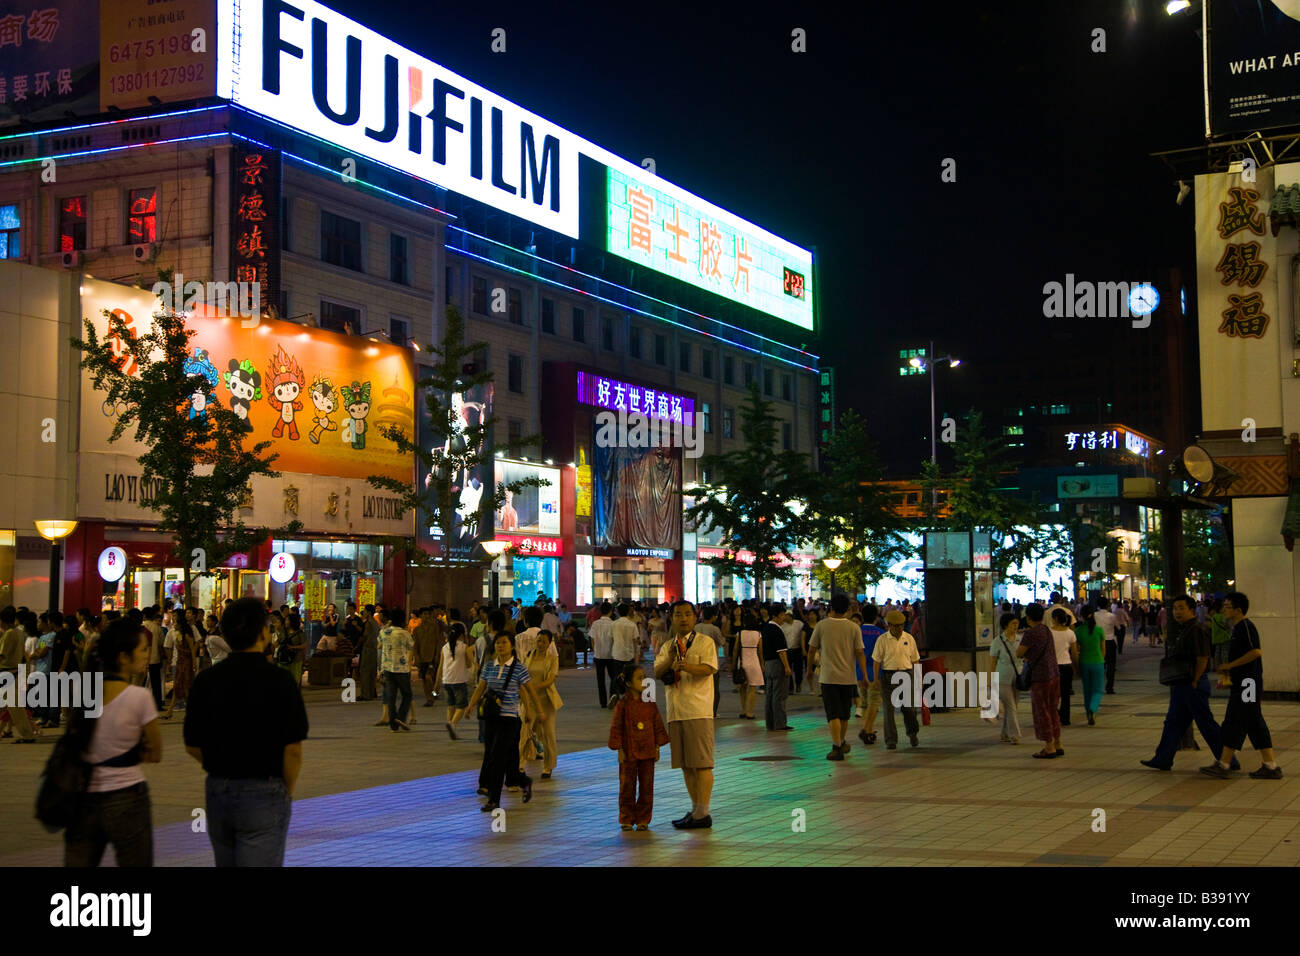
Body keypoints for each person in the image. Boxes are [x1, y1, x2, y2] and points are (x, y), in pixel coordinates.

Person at [184, 598, 309, 866]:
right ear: (263, 633)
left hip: (219, 788)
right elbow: (293, 750)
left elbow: (192, 744)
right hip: (265, 789)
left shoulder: (206, 680)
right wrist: (286, 789)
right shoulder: (280, 680)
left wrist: (221, 766)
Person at [62, 620, 161, 867]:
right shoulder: (140, 697)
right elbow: (156, 752)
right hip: (128, 796)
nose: (146, 655)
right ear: (123, 657)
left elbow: (75, 738)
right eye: (142, 650)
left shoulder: (85, 691)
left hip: (84, 795)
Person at [1140, 595, 1240, 773]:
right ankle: (1162, 758)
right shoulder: (1184, 629)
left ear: (1191, 610)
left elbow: (1203, 657)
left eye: (1181, 608)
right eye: (1175, 608)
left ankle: (1228, 760)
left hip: (1192, 683)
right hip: (1181, 684)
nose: (1177, 612)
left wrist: (1195, 680)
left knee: (1205, 723)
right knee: (1173, 722)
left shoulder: (1196, 629)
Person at [1202, 591, 1283, 780]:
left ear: (1238, 610)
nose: (1223, 610)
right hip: (1244, 682)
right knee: (1252, 722)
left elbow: (1256, 652)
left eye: (1227, 607)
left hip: (1248, 683)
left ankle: (1224, 764)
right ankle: (1270, 765)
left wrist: (1230, 665)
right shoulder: (1237, 628)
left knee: (1235, 720)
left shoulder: (1245, 626)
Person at [458, 633, 540, 812]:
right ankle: (524, 781)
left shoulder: (518, 668)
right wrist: (471, 705)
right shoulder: (489, 666)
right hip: (491, 718)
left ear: (511, 646)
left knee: (497, 758)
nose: (500, 646)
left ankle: (494, 799)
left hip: (510, 719)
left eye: (504, 643)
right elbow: (481, 687)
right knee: (508, 759)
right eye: (498, 643)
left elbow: (529, 690)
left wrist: (536, 711)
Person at [654, 600, 717, 830]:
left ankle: (703, 811)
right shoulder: (668, 645)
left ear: (695, 617)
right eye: (678, 614)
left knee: (701, 764)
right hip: (676, 711)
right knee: (686, 765)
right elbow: (658, 671)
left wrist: (685, 666)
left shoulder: (704, 642)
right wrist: (672, 660)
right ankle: (696, 809)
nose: (682, 618)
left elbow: (709, 669)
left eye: (687, 614)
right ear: (672, 617)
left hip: (698, 710)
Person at [608, 662, 669, 831]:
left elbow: (657, 724)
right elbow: (616, 728)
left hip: (648, 751)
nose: (644, 681)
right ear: (628, 683)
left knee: (647, 787)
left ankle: (643, 818)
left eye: (644, 678)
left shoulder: (650, 704)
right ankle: (626, 817)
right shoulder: (622, 705)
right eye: (639, 678)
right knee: (627, 786)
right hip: (629, 751)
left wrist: (657, 747)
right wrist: (619, 749)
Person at [809, 594, 871, 759]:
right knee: (844, 714)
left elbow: (811, 649)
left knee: (833, 714)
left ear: (831, 608)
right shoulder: (854, 628)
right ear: (847, 610)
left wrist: (809, 669)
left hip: (828, 678)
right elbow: (860, 653)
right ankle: (841, 742)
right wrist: (864, 675)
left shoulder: (821, 626)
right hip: (848, 678)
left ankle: (837, 747)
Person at [1017, 604, 1062, 759]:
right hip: (1054, 674)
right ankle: (1058, 742)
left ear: (1028, 617)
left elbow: (1019, 653)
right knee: (1053, 710)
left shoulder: (1030, 634)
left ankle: (1049, 747)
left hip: (1040, 677)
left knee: (1041, 712)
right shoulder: (1046, 630)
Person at [520, 629, 562, 779]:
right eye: (538, 640)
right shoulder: (528, 656)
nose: (540, 644)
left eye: (544, 641)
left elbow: (551, 679)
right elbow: (522, 676)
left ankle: (548, 766)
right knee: (525, 732)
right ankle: (519, 765)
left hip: (546, 701)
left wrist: (535, 687)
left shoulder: (552, 658)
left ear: (549, 643)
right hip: (529, 700)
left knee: (547, 734)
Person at [378, 607, 415, 732]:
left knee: (391, 697)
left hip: (387, 668)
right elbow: (411, 647)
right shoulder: (405, 633)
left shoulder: (384, 632)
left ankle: (393, 724)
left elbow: (379, 645)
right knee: (407, 695)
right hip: (402, 669)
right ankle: (401, 717)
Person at [988, 612, 1022, 743]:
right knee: (1011, 706)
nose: (1016, 626)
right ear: (1005, 625)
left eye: (1017, 623)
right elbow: (993, 662)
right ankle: (1015, 735)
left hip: (1018, 676)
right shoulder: (997, 642)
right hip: (1002, 678)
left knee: (1013, 707)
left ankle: (1004, 733)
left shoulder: (1020, 639)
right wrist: (991, 681)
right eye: (1013, 624)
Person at [760, 605, 792, 731]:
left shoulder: (766, 627)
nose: (784, 617)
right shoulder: (776, 629)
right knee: (779, 695)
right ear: (776, 615)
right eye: (782, 614)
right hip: (778, 664)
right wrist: (787, 667)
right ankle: (780, 723)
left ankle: (770, 723)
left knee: (770, 694)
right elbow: (781, 651)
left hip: (768, 664)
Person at [1074, 604, 1106, 726]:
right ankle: (1093, 709)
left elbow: (1076, 651)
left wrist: (1076, 667)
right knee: (1097, 690)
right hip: (1097, 662)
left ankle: (1088, 714)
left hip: (1084, 662)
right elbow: (1103, 650)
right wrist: (1101, 660)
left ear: (1081, 616)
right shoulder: (1099, 630)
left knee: (1087, 690)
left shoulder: (1078, 631)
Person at [1049, 608, 1079, 726]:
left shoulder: (1049, 632)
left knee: (1052, 694)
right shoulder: (1070, 633)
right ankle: (1065, 718)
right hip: (1066, 666)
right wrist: (1076, 668)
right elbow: (1075, 653)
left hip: (1052, 666)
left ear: (1055, 619)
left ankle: (1054, 715)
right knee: (1066, 694)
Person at [692, 606, 723, 718]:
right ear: (714, 617)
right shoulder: (714, 629)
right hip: (711, 662)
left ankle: (699, 710)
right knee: (714, 690)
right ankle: (712, 712)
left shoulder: (695, 627)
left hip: (696, 661)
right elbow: (722, 641)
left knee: (698, 688)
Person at [734, 611, 763, 719]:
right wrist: (762, 664)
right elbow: (760, 651)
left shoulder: (740, 633)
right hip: (754, 661)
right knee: (752, 688)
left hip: (742, 662)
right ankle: (750, 712)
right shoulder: (758, 634)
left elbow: (735, 650)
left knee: (742, 687)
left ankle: (743, 710)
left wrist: (733, 664)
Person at [589, 602, 617, 709]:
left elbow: (592, 639)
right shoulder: (613, 624)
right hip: (611, 655)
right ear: (611, 611)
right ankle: (612, 697)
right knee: (613, 678)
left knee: (600, 680)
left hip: (599, 655)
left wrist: (595, 649)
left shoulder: (596, 624)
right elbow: (615, 639)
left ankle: (603, 703)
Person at [276, 611, 306, 688]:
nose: (285, 622)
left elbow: (304, 645)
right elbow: (277, 643)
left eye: (287, 620)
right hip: (283, 659)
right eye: (285, 620)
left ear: (292, 621)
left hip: (296, 659)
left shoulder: (300, 633)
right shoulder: (283, 632)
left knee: (295, 680)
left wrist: (292, 647)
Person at [1094, 597, 1118, 694]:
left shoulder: (1094, 615)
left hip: (1098, 642)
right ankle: (1110, 687)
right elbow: (1118, 626)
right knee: (1111, 666)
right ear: (1108, 605)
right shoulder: (1111, 616)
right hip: (1110, 641)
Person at [358, 604, 380, 701]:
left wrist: (357, 645)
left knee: (365, 671)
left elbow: (365, 636)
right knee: (372, 672)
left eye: (365, 611)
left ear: (369, 612)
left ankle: (365, 694)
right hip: (374, 648)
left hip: (367, 648)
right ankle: (372, 692)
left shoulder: (368, 623)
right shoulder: (375, 623)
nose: (364, 612)